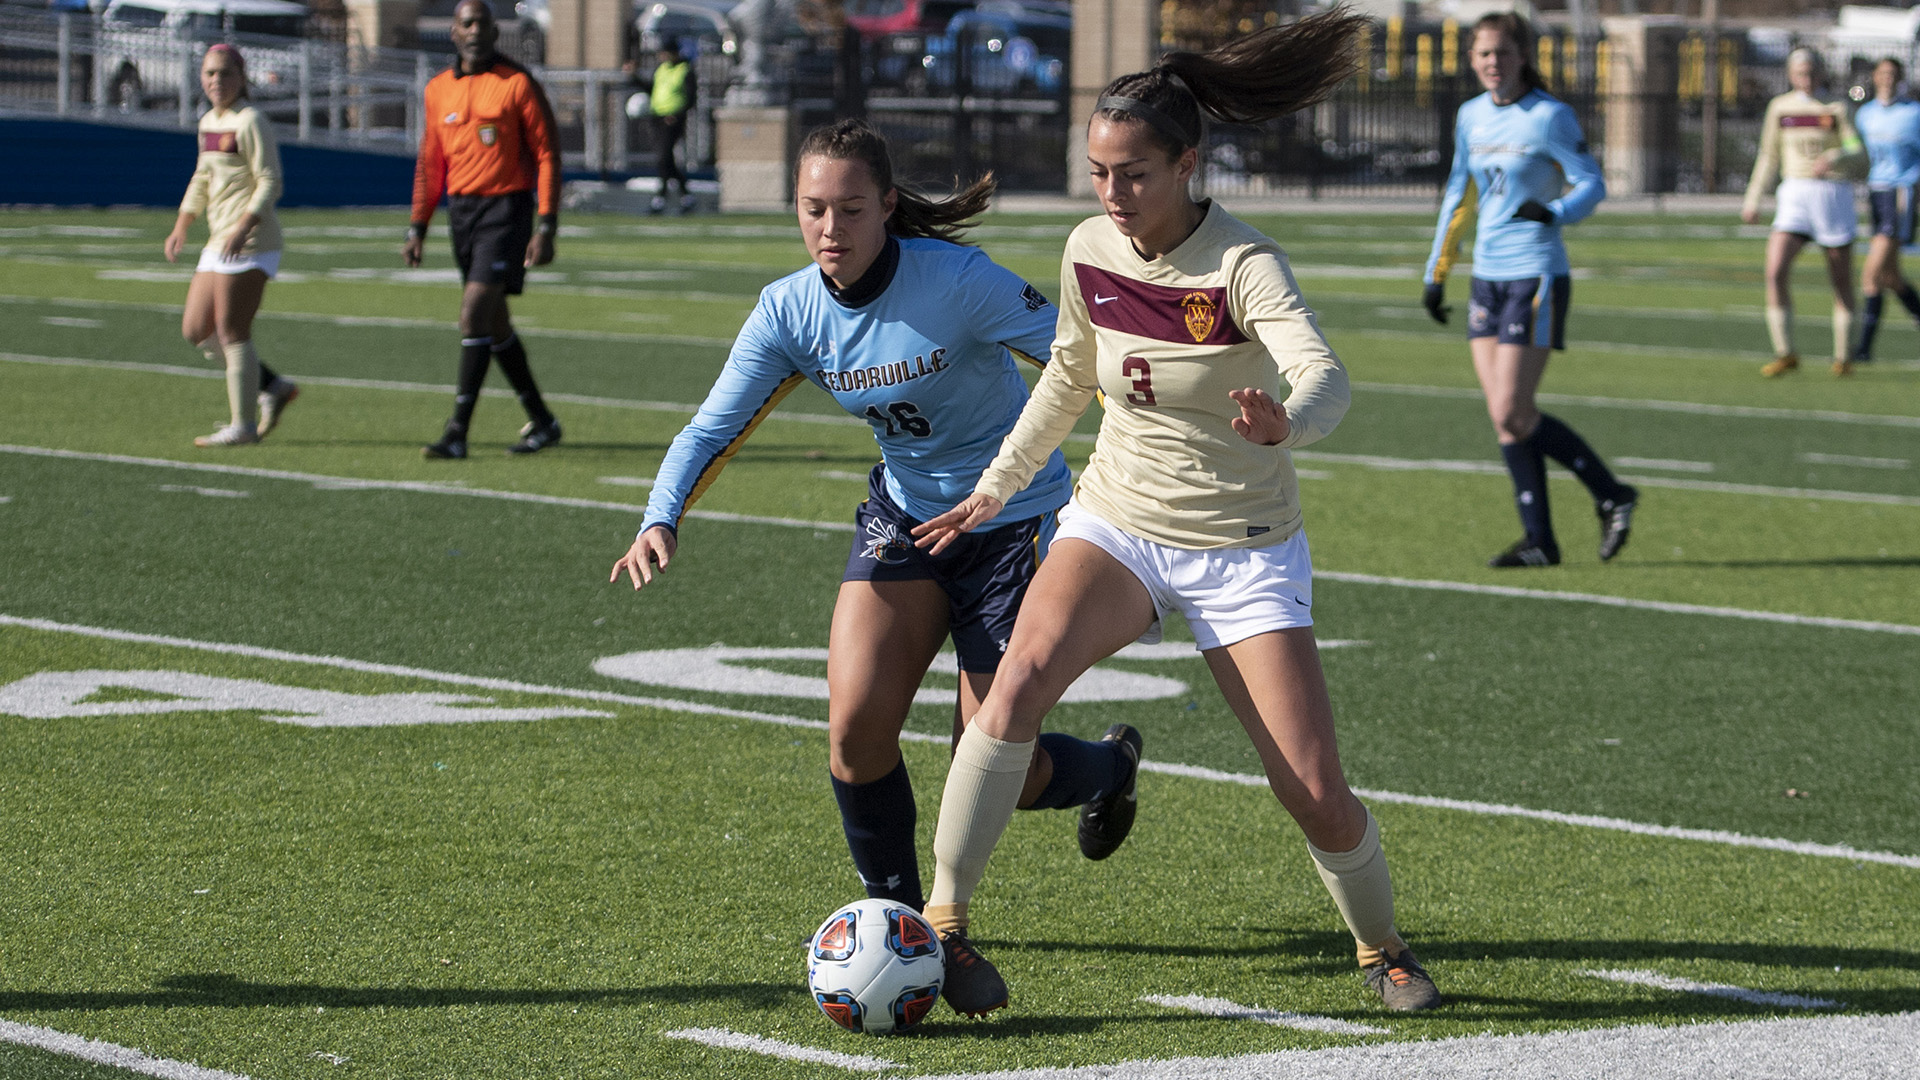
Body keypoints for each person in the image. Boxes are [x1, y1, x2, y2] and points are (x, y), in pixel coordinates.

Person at [911, 8, 1441, 1017]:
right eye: (1099, 171)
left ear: (1188, 164)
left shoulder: (1243, 265)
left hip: (1243, 550)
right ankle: (945, 924)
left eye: (1134, 173)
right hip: (1117, 519)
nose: (1113, 193)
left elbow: (1324, 377)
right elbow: (1067, 377)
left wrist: (1290, 423)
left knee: (1311, 788)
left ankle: (1381, 947)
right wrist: (995, 487)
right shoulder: (1087, 251)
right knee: (1012, 686)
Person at [608, 118, 1144, 1015]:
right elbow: (711, 427)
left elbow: (1078, 358)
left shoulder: (958, 283)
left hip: (1013, 527)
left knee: (993, 757)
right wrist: (660, 515)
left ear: (888, 208)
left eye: (851, 209)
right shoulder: (789, 311)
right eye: (813, 209)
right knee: (855, 733)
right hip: (902, 525)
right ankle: (909, 932)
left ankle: (1108, 771)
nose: (830, 228)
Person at [1422, 11, 1637, 568]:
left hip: (1535, 272)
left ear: (1523, 56)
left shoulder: (1549, 117)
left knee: (1512, 407)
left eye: (1503, 52)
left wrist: (1555, 212)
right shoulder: (1470, 116)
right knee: (1504, 417)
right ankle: (1540, 539)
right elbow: (1459, 193)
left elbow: (1592, 183)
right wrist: (1436, 270)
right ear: (1472, 60)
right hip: (1486, 277)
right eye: (1483, 54)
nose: (1493, 63)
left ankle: (1612, 493)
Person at [405, 0, 564, 459]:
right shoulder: (437, 90)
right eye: (466, 23)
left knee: (474, 314)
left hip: (506, 212)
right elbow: (431, 162)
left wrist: (547, 224)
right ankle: (544, 420)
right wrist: (418, 225)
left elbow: (549, 154)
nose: (475, 31)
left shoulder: (516, 84)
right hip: (463, 215)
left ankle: (457, 432)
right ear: (453, 33)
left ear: (496, 32)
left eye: (483, 23)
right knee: (494, 324)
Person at [163, 43, 299, 447]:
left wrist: (243, 227)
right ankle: (272, 386)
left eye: (225, 73)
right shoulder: (208, 122)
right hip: (218, 238)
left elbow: (271, 180)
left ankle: (242, 426)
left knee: (231, 329)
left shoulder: (251, 120)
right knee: (195, 329)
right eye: (209, 74)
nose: (216, 81)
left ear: (242, 78)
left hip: (251, 240)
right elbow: (203, 177)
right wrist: (182, 223)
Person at [1741, 47, 1866, 378]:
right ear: (1791, 74)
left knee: (1840, 278)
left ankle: (1842, 358)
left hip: (1831, 195)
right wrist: (1753, 198)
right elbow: (1769, 155)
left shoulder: (1837, 107)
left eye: (1811, 72)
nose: (1806, 79)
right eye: (1800, 73)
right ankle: (1786, 352)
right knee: (1775, 270)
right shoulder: (1780, 107)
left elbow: (1857, 149)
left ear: (1821, 73)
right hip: (1794, 194)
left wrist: (1836, 157)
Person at [1851, 57, 1920, 365]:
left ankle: (1863, 349)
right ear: (1875, 78)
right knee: (1892, 277)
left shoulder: (1913, 113)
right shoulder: (1865, 114)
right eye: (1883, 73)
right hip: (1876, 191)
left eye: (1893, 73)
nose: (1887, 78)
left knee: (1872, 274)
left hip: (1901, 192)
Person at [632, 44, 697, 215]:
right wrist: (634, 77)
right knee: (666, 159)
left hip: (672, 120)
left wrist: (677, 115)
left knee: (663, 157)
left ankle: (661, 197)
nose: (662, 56)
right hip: (657, 118)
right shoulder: (662, 69)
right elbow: (653, 90)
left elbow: (691, 98)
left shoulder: (685, 70)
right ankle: (686, 196)